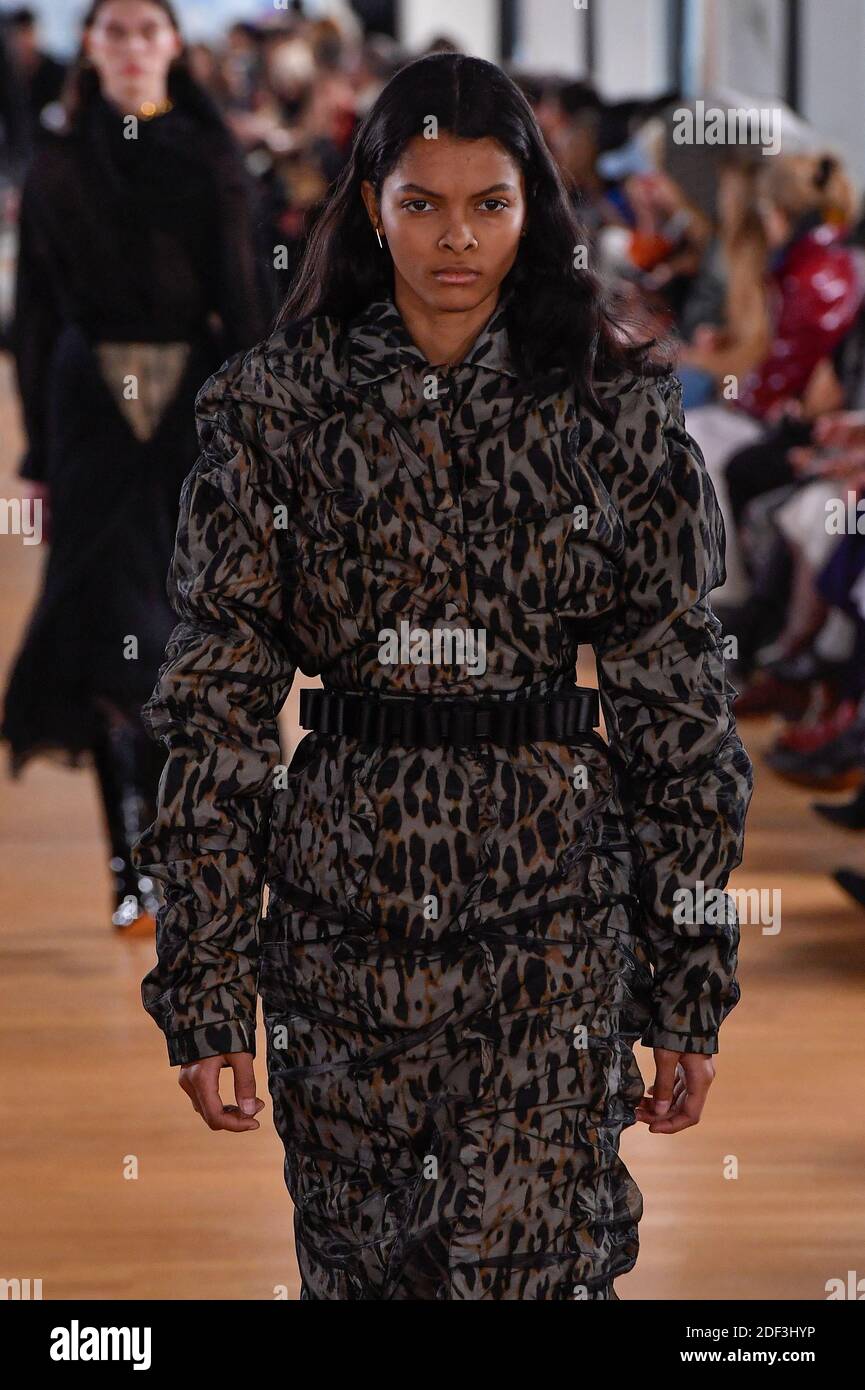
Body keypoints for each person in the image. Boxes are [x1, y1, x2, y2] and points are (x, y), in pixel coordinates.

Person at [132, 52, 754, 1300]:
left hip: (550, 928)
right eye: (421, 203)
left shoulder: (612, 412)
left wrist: (688, 983)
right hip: (337, 931)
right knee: (364, 1280)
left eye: (489, 204)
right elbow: (214, 706)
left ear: (535, 211)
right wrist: (204, 987)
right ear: (371, 204)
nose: (455, 238)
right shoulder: (275, 409)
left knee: (537, 1275)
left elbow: (680, 711)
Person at [0, 0, 270, 932]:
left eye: (144, 30)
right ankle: (132, 863)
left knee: (181, 634)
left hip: (189, 418)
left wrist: (257, 434)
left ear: (170, 47)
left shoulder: (208, 157)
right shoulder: (60, 161)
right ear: (93, 47)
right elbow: (33, 315)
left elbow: (245, 303)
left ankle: (182, 851)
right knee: (107, 632)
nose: (128, 46)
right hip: (88, 421)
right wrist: (35, 447)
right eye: (111, 29)